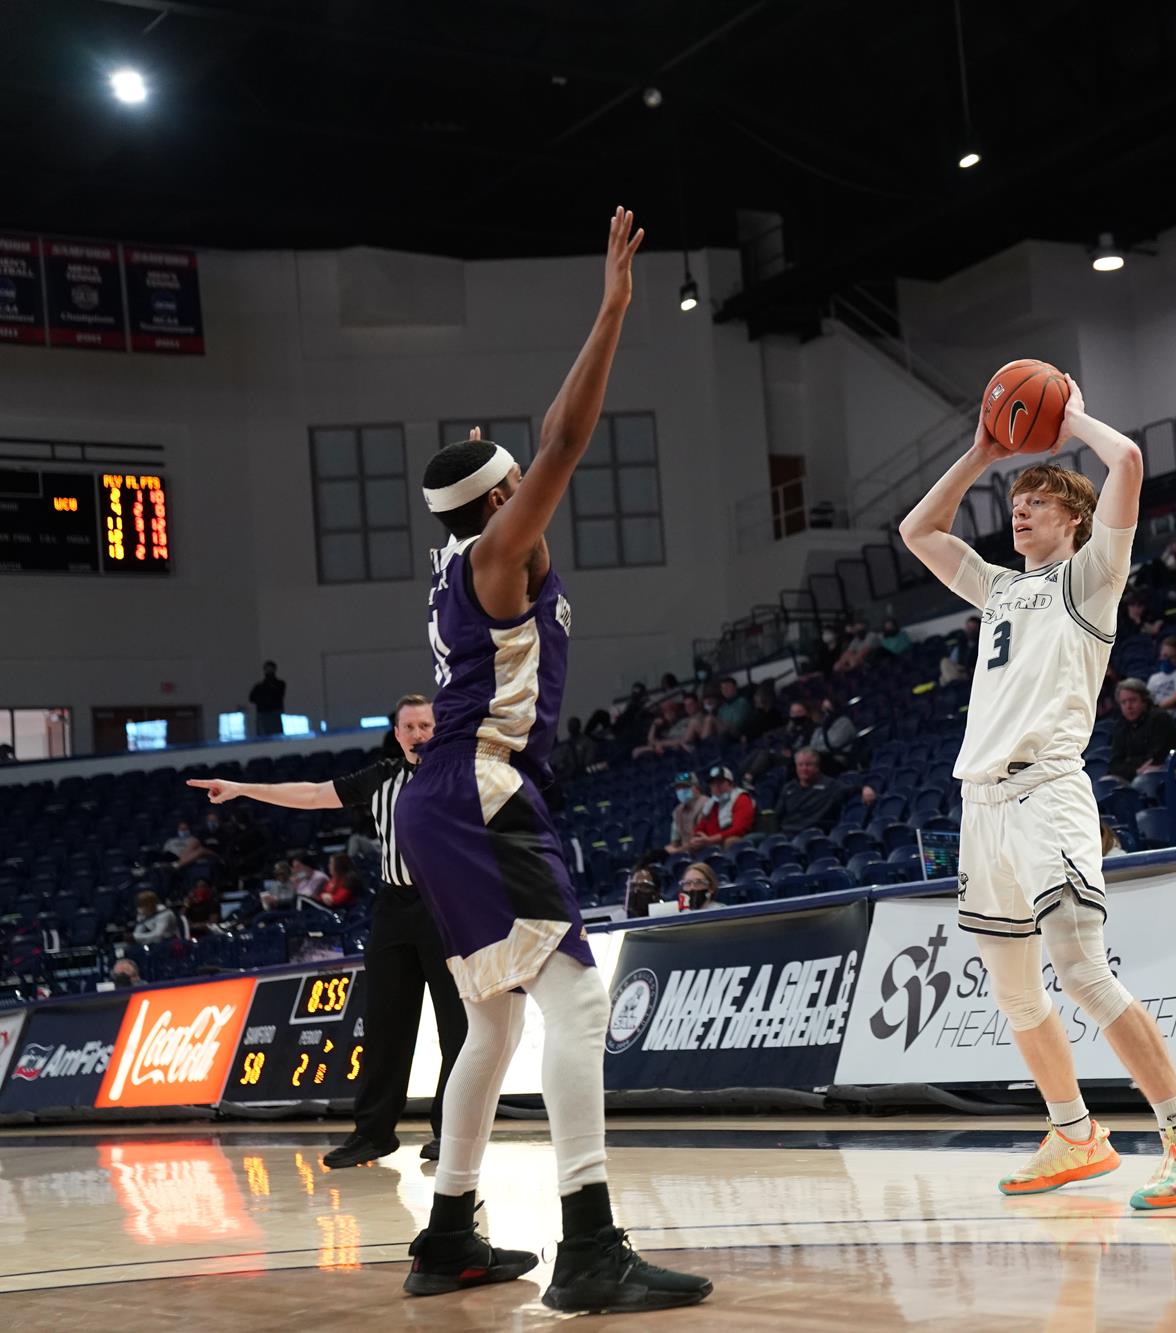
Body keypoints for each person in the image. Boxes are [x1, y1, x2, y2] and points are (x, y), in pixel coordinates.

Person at [390, 209, 710, 1309]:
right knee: (572, 1003)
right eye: (518, 480)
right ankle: (586, 1246)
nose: (538, 484)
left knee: (495, 1019)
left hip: (444, 799)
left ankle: (446, 1234)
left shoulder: (456, 563)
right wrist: (613, 307)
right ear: (495, 499)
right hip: (480, 788)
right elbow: (568, 440)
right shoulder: (496, 551)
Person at [897, 371, 1176, 1210]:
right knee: (1014, 992)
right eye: (1017, 500)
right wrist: (983, 448)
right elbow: (917, 529)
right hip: (981, 805)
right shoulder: (1000, 588)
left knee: (1080, 971)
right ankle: (1075, 1134)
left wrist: (1067, 414)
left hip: (1047, 793)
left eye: (1038, 499)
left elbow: (1128, 460)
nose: (1021, 509)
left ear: (1074, 518)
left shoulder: (1090, 579)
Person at [188, 694, 467, 1170]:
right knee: (384, 1026)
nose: (419, 734)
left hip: (449, 906)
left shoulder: (462, 775)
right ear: (397, 735)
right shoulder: (382, 778)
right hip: (395, 907)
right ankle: (373, 1134)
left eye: (426, 725)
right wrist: (241, 787)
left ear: (439, 729)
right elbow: (314, 794)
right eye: (410, 727)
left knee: (456, 1027)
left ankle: (455, 1131)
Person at [1108, 679, 1176, 783]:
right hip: (1135, 774)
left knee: (1145, 777)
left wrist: (1129, 763)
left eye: (1132, 700)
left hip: (1166, 771)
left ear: (1144, 701)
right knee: (1108, 782)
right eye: (1123, 702)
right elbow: (1114, 764)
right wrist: (1135, 770)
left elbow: (1156, 758)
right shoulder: (1120, 725)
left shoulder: (1160, 718)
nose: (1128, 706)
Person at [773, 748, 852, 835]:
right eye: (800, 765)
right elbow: (777, 815)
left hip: (811, 836)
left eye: (808, 765)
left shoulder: (831, 785)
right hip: (785, 833)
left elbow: (853, 790)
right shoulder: (788, 787)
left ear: (817, 767)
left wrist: (866, 789)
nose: (804, 769)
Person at [686, 765, 754, 850]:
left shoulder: (741, 798)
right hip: (712, 842)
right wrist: (697, 837)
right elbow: (701, 827)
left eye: (720, 782)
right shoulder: (711, 804)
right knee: (690, 846)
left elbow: (739, 829)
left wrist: (711, 839)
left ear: (730, 784)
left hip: (732, 840)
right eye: (713, 784)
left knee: (731, 841)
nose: (716, 786)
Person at [1146, 636, 1176, 710]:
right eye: (1164, 656)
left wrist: (1156, 709)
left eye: (1172, 657)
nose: (1167, 660)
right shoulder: (1153, 678)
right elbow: (1148, 699)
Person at [940, 614, 983, 685]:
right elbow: (953, 661)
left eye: (973, 628)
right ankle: (955, 684)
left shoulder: (981, 644)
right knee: (944, 663)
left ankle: (954, 685)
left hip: (973, 673)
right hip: (960, 670)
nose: (970, 630)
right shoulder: (961, 644)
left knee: (944, 678)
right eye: (969, 627)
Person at [249, 660, 286, 737]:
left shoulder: (280, 684)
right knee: (264, 738)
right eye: (267, 669)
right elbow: (252, 698)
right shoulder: (259, 686)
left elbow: (278, 695)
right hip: (263, 714)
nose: (268, 671)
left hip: (275, 714)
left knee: (277, 737)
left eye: (270, 669)